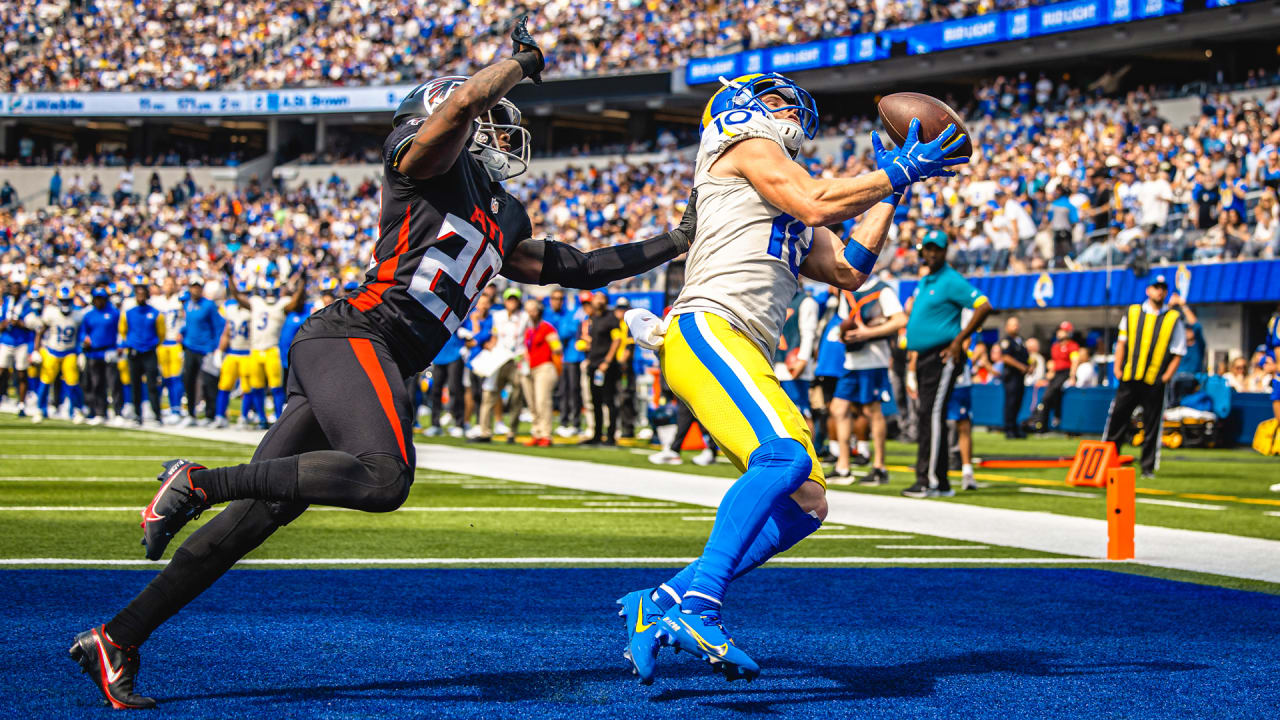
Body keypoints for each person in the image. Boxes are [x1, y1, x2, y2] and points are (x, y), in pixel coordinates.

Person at [71, 19, 701, 709]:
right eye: (491, 123)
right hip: (355, 337)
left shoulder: (505, 214)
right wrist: (519, 62)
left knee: (256, 519)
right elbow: (460, 109)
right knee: (384, 478)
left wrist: (675, 239)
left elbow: (578, 267)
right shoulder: (424, 162)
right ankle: (195, 480)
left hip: (370, 356)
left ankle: (118, 637)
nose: (500, 137)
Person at [617, 72, 967, 683]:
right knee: (784, 459)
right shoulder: (745, 148)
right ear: (740, 108)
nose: (790, 113)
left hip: (742, 344)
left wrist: (892, 188)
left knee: (807, 503)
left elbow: (851, 267)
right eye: (777, 102)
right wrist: (898, 170)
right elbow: (814, 201)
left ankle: (665, 602)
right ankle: (701, 606)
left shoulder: (784, 193)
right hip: (710, 328)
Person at [902, 229, 992, 498]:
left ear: (945, 251)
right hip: (926, 357)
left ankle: (928, 480)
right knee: (929, 415)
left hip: (942, 355)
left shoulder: (950, 280)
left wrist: (959, 341)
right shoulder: (927, 280)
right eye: (926, 248)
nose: (930, 253)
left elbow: (983, 305)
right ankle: (939, 481)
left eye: (935, 249)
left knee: (931, 415)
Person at [1102, 275, 1186, 480]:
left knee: (1152, 425)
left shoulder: (1173, 318)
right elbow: (1122, 342)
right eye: (1156, 287)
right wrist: (1118, 368)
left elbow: (1178, 351)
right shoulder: (1132, 312)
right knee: (1117, 420)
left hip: (1155, 380)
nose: (1159, 292)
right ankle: (1108, 462)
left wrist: (1166, 376)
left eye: (1163, 288)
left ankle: (1147, 467)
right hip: (1130, 376)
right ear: (1148, 290)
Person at [832, 277, 906, 485]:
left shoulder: (882, 289)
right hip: (851, 359)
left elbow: (900, 320)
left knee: (872, 410)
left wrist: (869, 332)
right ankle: (843, 466)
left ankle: (879, 466)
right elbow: (844, 322)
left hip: (874, 359)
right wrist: (844, 335)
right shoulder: (846, 289)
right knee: (839, 408)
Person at [227, 273, 307, 426]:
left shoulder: (282, 304)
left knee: (276, 387)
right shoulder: (255, 303)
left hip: (272, 350)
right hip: (255, 350)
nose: (270, 294)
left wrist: (302, 282)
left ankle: (278, 418)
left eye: (273, 291)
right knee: (256, 387)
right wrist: (230, 276)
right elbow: (237, 295)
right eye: (268, 291)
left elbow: (296, 300)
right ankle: (262, 418)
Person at [475, 287, 528, 442]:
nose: (512, 302)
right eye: (509, 299)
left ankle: (512, 431)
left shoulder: (524, 317)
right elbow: (491, 334)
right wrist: (488, 344)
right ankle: (485, 431)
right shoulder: (497, 316)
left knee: (516, 397)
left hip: (516, 358)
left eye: (515, 299)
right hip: (498, 358)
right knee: (489, 394)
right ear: (505, 301)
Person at [31, 285, 87, 423]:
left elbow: (82, 335)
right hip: (52, 350)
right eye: (63, 300)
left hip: (70, 352)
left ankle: (77, 410)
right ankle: (40, 409)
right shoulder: (51, 312)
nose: (65, 303)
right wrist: (36, 350)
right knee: (45, 382)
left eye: (68, 300)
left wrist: (81, 353)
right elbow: (40, 331)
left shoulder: (78, 315)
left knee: (73, 383)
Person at [118, 277, 165, 427]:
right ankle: (137, 415)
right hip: (134, 352)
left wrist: (151, 344)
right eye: (138, 294)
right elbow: (123, 331)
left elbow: (161, 333)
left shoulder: (155, 313)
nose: (140, 296)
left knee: (152, 385)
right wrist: (132, 343)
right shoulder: (129, 313)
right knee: (135, 385)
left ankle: (157, 414)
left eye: (142, 293)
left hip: (149, 351)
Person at [521, 297, 562, 446]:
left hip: (544, 367)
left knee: (542, 401)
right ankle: (536, 432)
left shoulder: (546, 327)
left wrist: (554, 348)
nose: (530, 313)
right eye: (528, 310)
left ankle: (545, 434)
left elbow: (557, 347)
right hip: (529, 368)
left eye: (533, 309)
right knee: (532, 404)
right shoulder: (528, 329)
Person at [179, 279, 221, 426]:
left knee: (209, 383)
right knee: (188, 380)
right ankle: (191, 413)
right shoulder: (187, 304)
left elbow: (217, 326)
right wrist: (182, 333)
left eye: (197, 287)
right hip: (190, 347)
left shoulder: (208, 305)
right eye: (193, 287)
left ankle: (211, 415)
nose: (195, 290)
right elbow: (188, 324)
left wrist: (216, 348)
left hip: (206, 349)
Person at [212, 283, 254, 429]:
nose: (242, 296)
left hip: (247, 353)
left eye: (245, 293)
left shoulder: (253, 309)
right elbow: (227, 332)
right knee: (224, 386)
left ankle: (244, 417)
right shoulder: (230, 309)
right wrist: (220, 350)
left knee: (247, 388)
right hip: (233, 352)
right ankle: (220, 416)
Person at [582, 292, 621, 445]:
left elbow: (617, 340)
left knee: (609, 401)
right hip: (593, 364)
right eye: (596, 298)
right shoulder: (592, 319)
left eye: (601, 299)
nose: (598, 301)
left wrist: (607, 361)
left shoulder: (611, 318)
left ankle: (611, 436)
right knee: (595, 401)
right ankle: (597, 434)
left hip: (606, 366)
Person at [81, 286, 122, 425]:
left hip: (109, 351)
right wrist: (85, 339)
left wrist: (119, 347)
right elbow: (83, 332)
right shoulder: (88, 315)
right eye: (97, 299)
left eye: (102, 299)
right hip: (94, 352)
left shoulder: (114, 313)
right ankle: (100, 412)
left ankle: (118, 412)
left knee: (113, 383)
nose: (99, 301)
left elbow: (121, 331)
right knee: (97, 384)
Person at [1030, 321, 1078, 432]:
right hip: (1056, 374)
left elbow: (1074, 362)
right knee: (1046, 397)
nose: (1059, 333)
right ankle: (1041, 424)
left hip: (1065, 373)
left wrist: (1072, 376)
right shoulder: (1055, 346)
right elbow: (1053, 362)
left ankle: (1055, 418)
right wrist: (1050, 371)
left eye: (1062, 331)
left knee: (1054, 391)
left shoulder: (1072, 346)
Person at [0, 281, 39, 417]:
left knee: (22, 374)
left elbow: (33, 324)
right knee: (1, 370)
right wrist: (4, 325)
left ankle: (22, 404)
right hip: (6, 341)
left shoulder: (26, 304)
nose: (15, 292)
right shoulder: (6, 303)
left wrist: (20, 323)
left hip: (21, 342)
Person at [152, 278, 186, 425]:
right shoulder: (156, 301)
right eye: (166, 284)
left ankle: (176, 408)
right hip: (161, 343)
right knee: (161, 378)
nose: (169, 286)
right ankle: (158, 408)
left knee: (175, 378)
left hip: (174, 342)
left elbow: (187, 318)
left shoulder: (179, 300)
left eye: (171, 284)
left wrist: (183, 332)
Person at [998, 315, 1029, 438]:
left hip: (1021, 377)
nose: (1016, 327)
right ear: (1007, 327)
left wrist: (1029, 366)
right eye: (1013, 324)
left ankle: (1015, 428)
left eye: (1017, 324)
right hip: (1011, 377)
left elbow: (1026, 357)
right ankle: (1009, 428)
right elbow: (1006, 357)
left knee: (1018, 402)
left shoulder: (1021, 340)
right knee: (1010, 403)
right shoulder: (1006, 341)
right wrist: (1021, 366)